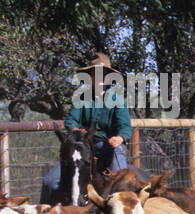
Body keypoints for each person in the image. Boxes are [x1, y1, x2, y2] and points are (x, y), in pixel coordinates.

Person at [42, 51, 132, 195]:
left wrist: (119, 138)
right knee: (50, 182)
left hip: (109, 148)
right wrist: (76, 129)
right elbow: (71, 120)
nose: (99, 78)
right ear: (90, 76)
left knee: (123, 184)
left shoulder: (117, 99)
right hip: (82, 147)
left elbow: (125, 127)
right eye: (95, 73)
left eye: (103, 74)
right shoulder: (81, 98)